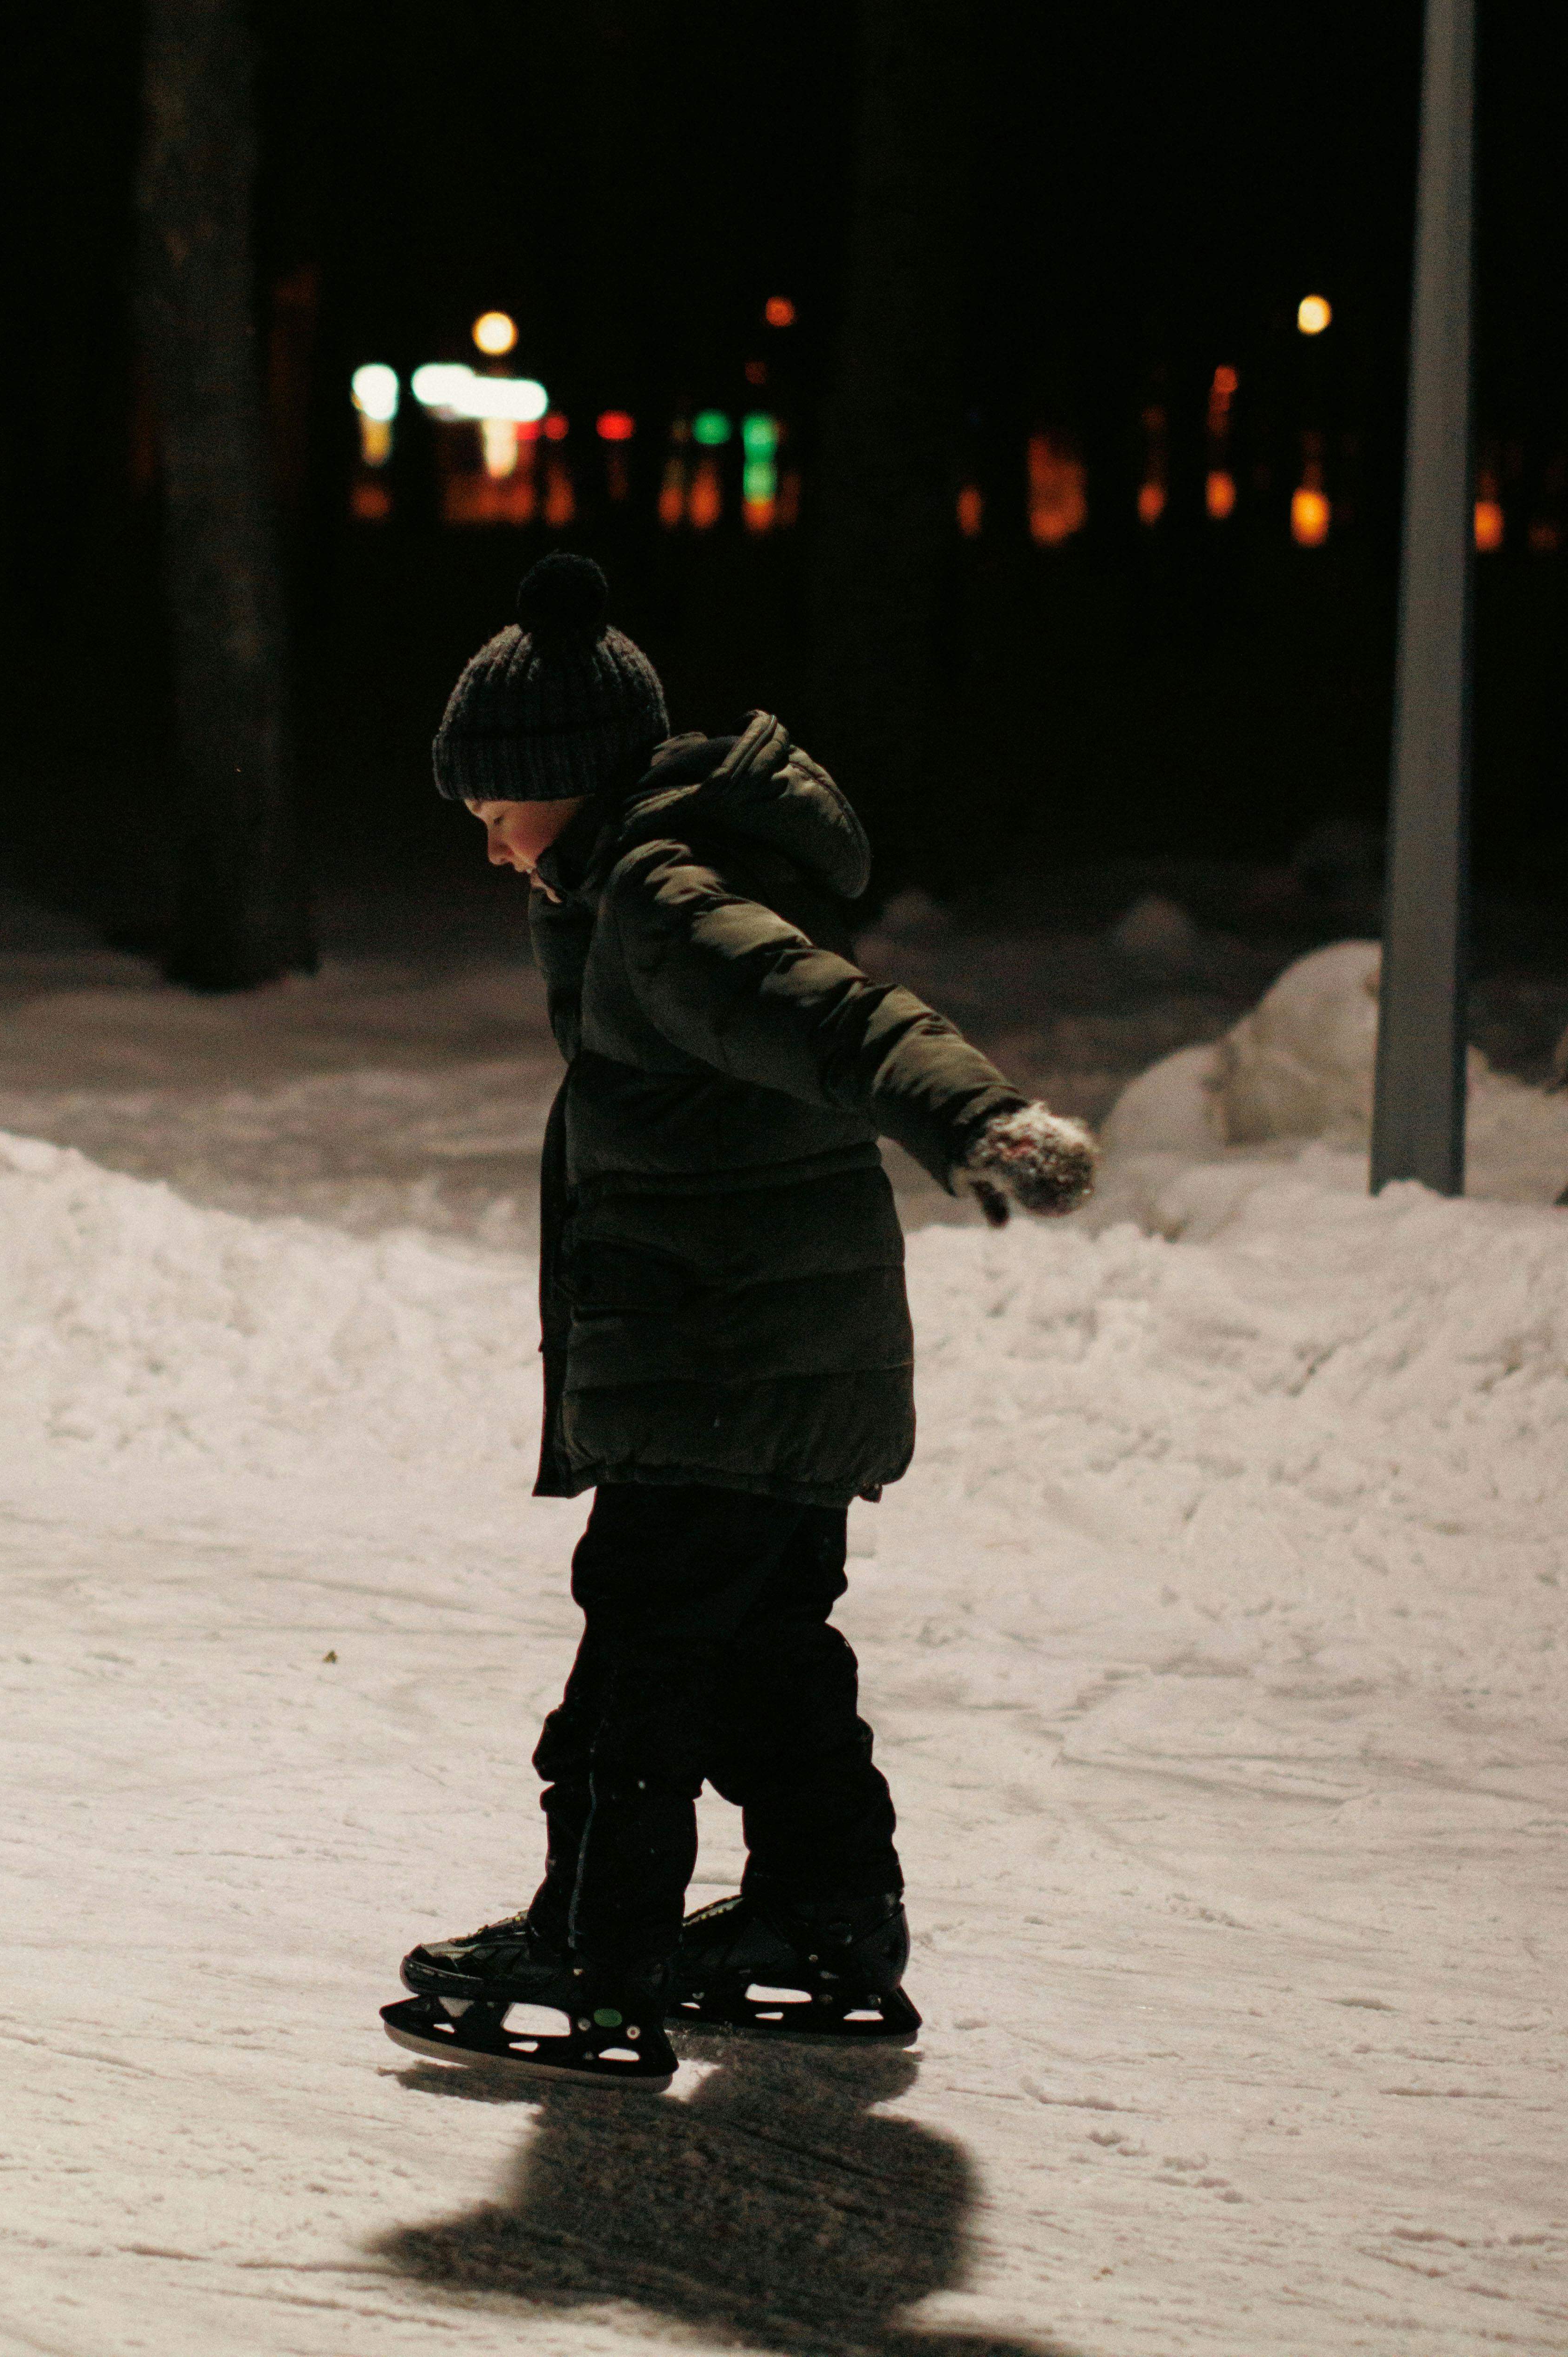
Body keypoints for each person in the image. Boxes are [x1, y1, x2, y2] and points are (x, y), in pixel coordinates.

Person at [381, 554, 1097, 2091]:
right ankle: (825, 1917)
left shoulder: (660, 901)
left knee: (640, 1667)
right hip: (772, 1364)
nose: (491, 846)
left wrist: (976, 1118)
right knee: (766, 1652)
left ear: (558, 778)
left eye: (494, 807)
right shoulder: (640, 883)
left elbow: (836, 1016)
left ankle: (598, 1950)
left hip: (724, 1364)